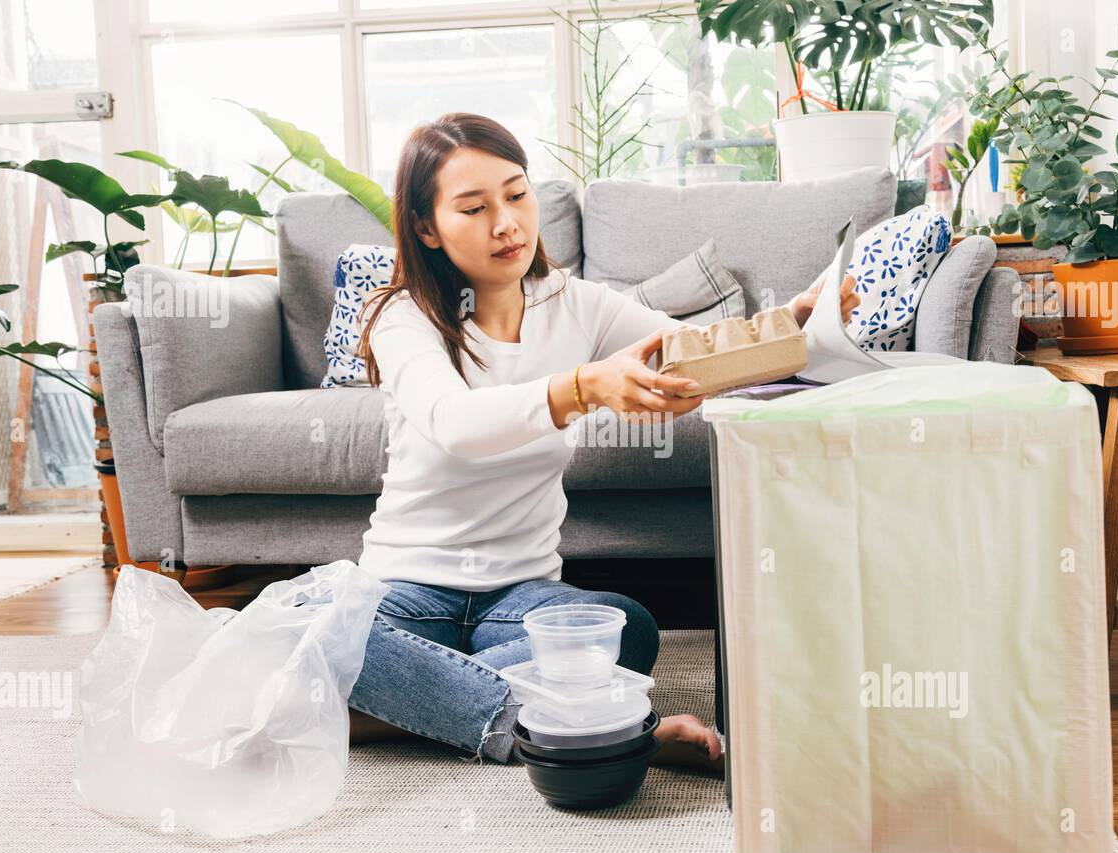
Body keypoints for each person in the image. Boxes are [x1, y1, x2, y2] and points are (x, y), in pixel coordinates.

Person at [345, 112, 859, 773]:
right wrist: (585, 386)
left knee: (629, 629)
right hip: (406, 593)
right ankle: (595, 728)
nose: (506, 223)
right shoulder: (402, 316)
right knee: (336, 637)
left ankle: (404, 704)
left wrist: (794, 321)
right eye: (473, 208)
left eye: (517, 193)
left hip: (519, 598)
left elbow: (684, 354)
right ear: (425, 227)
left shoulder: (575, 303)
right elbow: (456, 423)